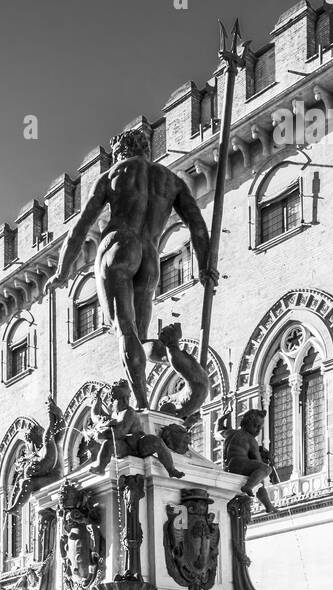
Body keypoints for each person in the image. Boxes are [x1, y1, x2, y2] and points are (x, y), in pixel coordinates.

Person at [44, 126, 216, 413]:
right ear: (146, 149)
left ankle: (142, 406)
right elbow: (197, 225)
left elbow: (80, 227)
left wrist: (62, 272)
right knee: (143, 340)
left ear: (118, 153)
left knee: (125, 330)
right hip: (150, 255)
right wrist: (205, 267)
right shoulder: (171, 181)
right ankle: (172, 351)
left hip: (118, 247)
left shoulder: (112, 175)